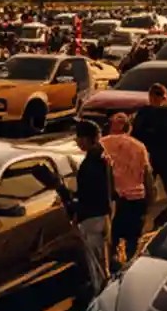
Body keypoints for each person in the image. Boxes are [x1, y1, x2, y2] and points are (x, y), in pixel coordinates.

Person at [63, 120, 113, 299]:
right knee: (101, 262)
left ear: (86, 139)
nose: (76, 141)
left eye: (78, 137)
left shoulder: (92, 164)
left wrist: (70, 200)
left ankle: (101, 301)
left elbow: (90, 197)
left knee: (97, 267)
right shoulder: (101, 157)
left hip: (93, 219)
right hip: (101, 216)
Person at [101, 114, 150, 266]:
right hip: (136, 198)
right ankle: (130, 264)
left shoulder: (103, 144)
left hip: (114, 199)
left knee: (112, 238)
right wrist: (149, 199)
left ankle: (114, 264)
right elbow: (147, 173)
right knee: (133, 238)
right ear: (129, 127)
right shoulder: (139, 146)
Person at [131, 83, 167, 207]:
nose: (154, 100)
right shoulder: (144, 113)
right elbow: (135, 135)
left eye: (157, 97)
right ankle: (145, 207)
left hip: (164, 155)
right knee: (146, 185)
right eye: (152, 97)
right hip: (149, 156)